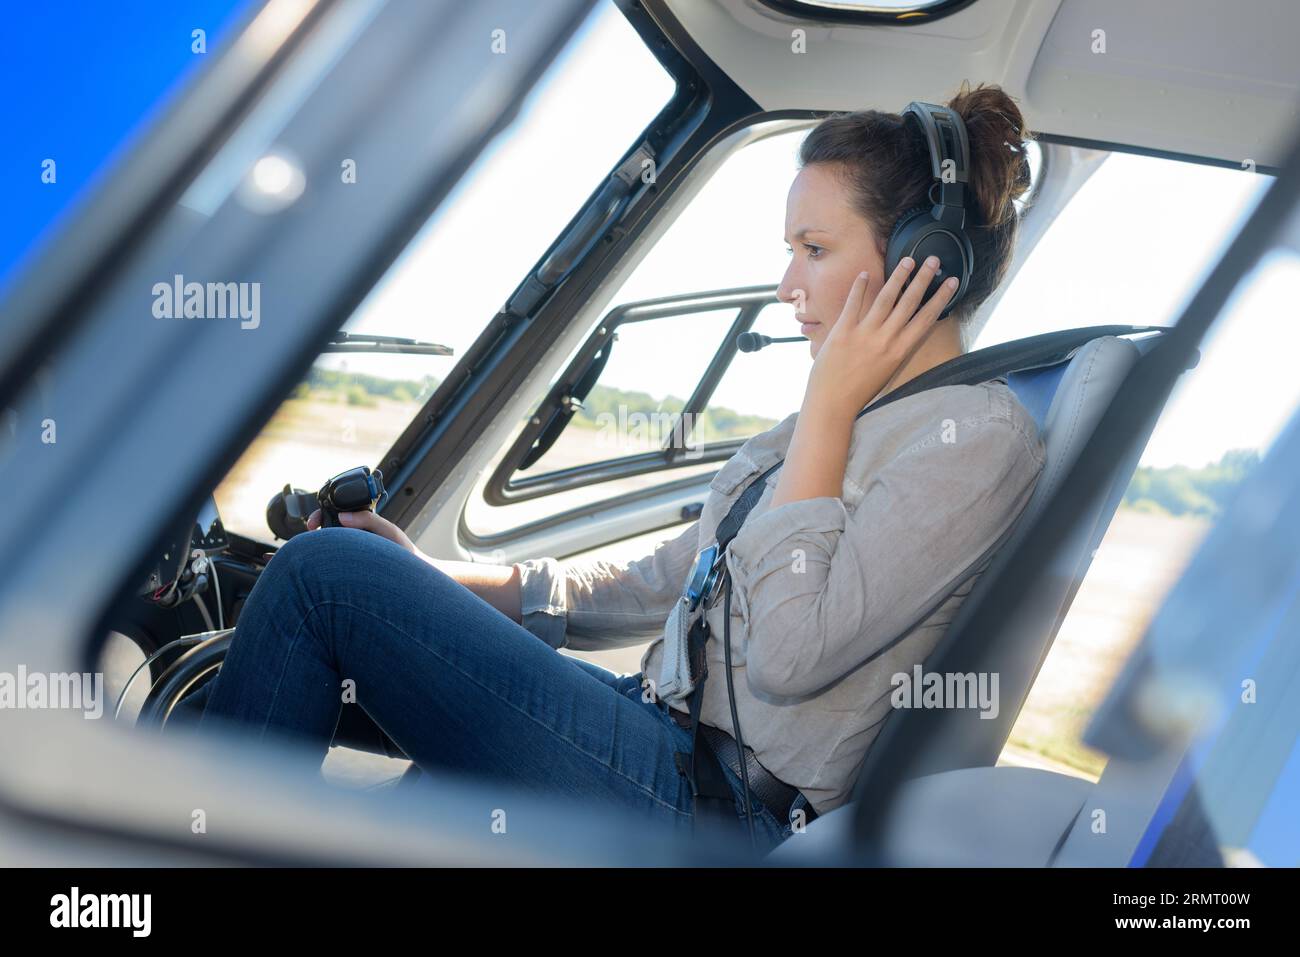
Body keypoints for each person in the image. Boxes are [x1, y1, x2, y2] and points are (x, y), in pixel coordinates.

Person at [182, 81, 1045, 858]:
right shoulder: (846, 421)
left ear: (921, 259)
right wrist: (426, 571)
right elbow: (658, 582)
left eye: (813, 249)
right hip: (657, 737)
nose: (787, 284)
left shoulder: (972, 439)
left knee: (321, 578)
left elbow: (789, 655)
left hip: (716, 815)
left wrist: (825, 408)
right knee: (365, 620)